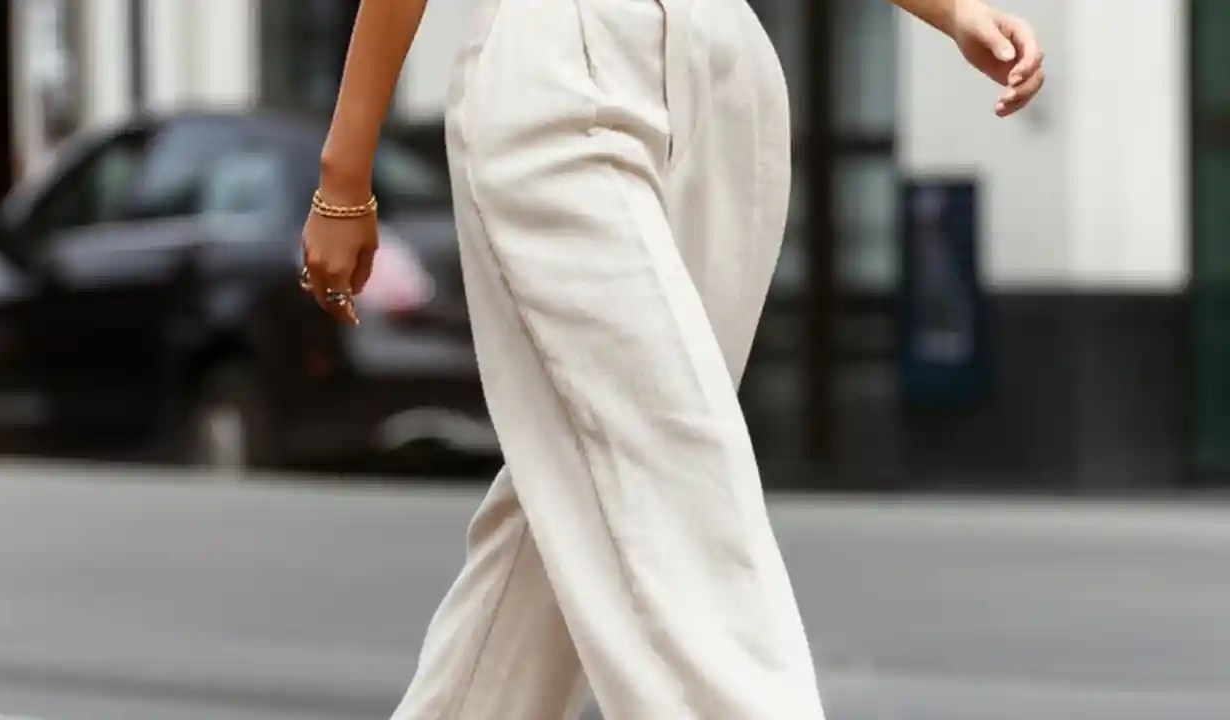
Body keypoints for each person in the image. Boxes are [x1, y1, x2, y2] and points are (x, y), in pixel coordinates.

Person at [298, 0, 1044, 715]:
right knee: (670, 465)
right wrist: (344, 172)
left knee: (597, 479)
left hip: (728, 75)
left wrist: (951, 10)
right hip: (559, 69)